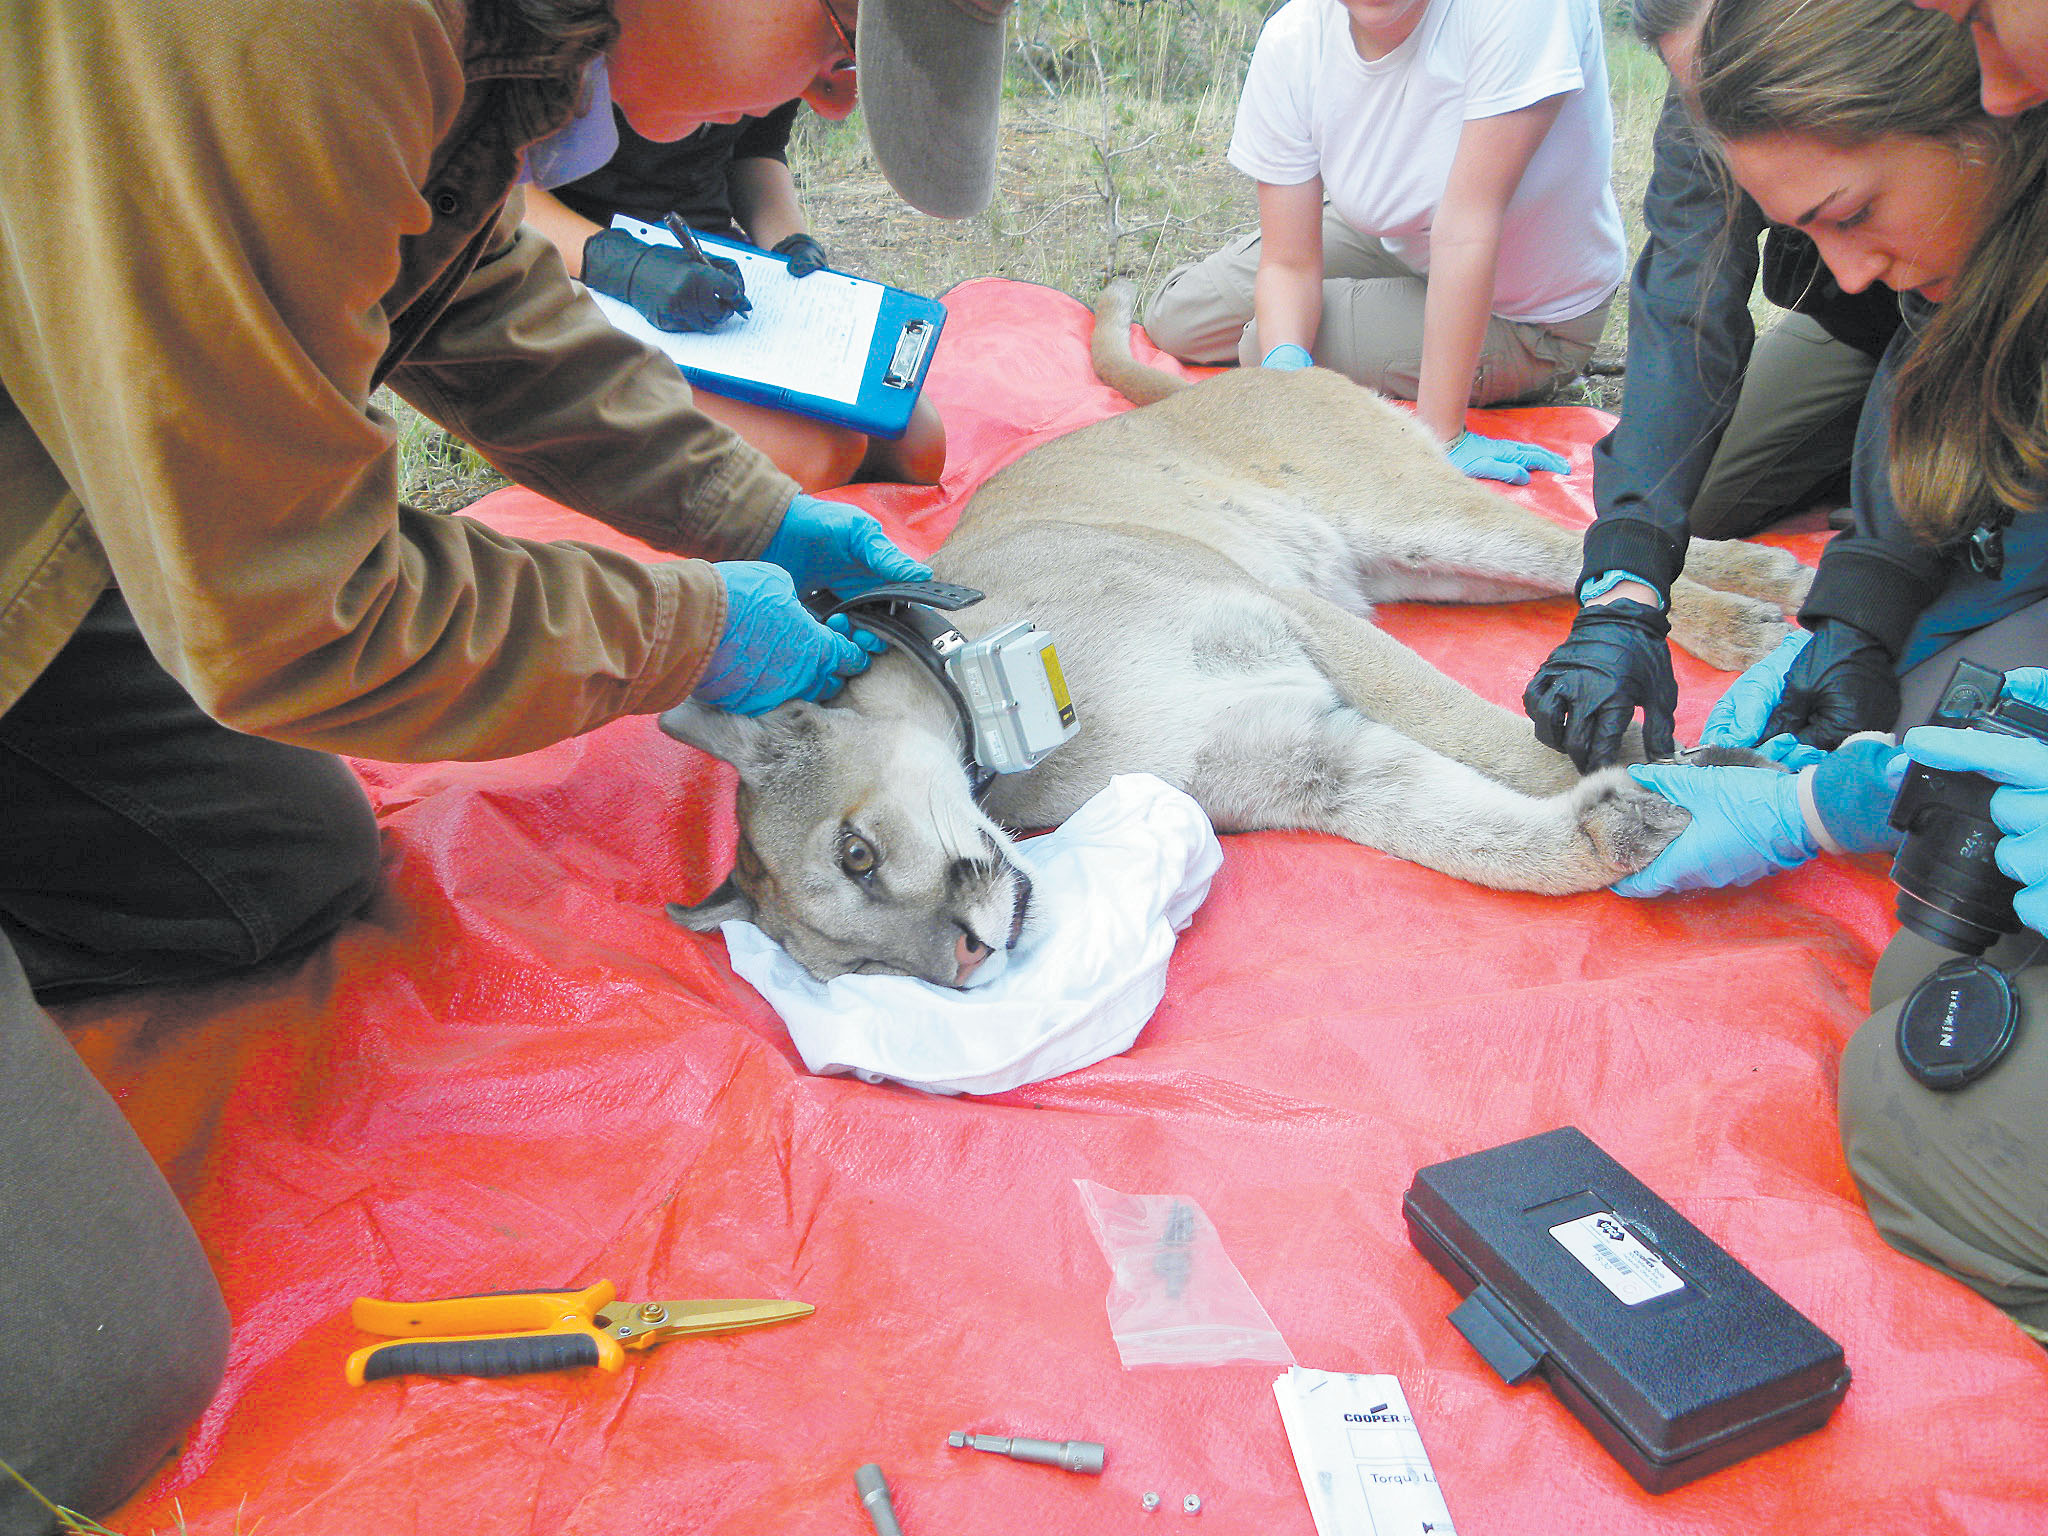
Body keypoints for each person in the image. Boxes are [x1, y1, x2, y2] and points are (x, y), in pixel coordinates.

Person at [0, 0, 1015, 1526]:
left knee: (268, 879)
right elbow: (294, 616)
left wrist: (744, 509)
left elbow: (455, 280)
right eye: (835, 36)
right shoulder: (296, 29)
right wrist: (683, 631)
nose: (817, 98)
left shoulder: (481, 42)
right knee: (91, 1382)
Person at [1598, 0, 2048, 1341]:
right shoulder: (1972, 253)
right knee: (1935, 963)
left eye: (1852, 213)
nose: (1840, 279)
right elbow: (1935, 414)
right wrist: (1839, 633)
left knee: (1934, 1123)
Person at [1139, 0, 1627, 486]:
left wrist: (1440, 439)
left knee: (1253, 342)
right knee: (1183, 316)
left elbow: (1465, 229)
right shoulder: (1294, 38)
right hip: (1401, 240)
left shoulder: (1519, 10)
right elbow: (1288, 262)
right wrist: (1285, 366)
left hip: (1528, 313)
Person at [525, 100, 949, 488]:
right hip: (578, 275)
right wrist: (626, 266)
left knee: (918, 449)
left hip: (722, 267)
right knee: (822, 456)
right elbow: (499, 193)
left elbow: (756, 147)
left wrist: (787, 245)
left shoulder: (787, 35)